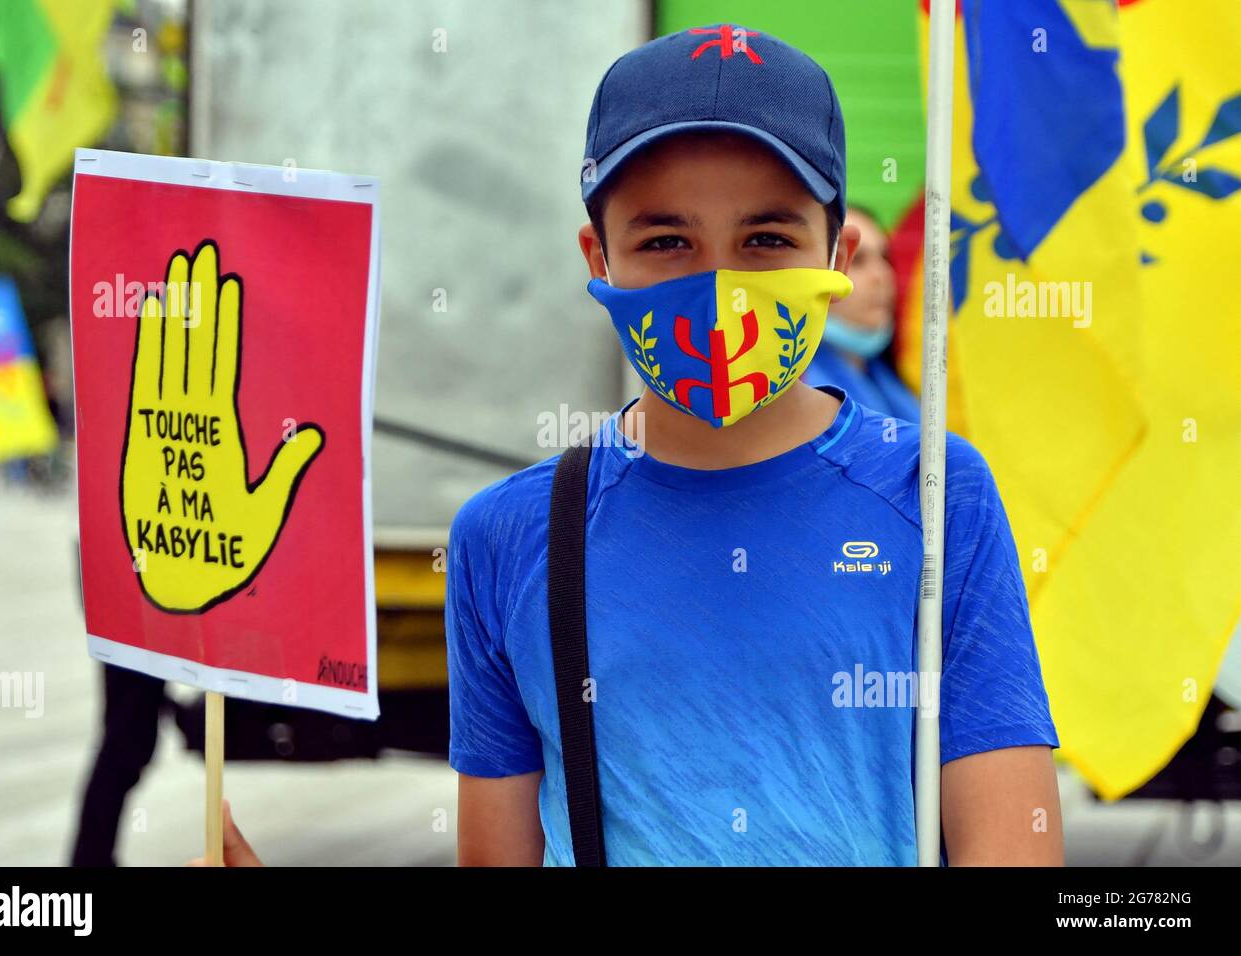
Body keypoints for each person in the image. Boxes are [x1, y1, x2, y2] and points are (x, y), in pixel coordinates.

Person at [206, 24, 1062, 867]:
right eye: (666, 241)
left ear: (837, 252)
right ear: (599, 258)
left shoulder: (935, 495)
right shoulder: (509, 539)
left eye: (766, 239)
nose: (719, 285)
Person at [807, 206, 921, 423]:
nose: (881, 275)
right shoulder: (791, 391)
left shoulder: (894, 381)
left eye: (885, 257)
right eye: (857, 260)